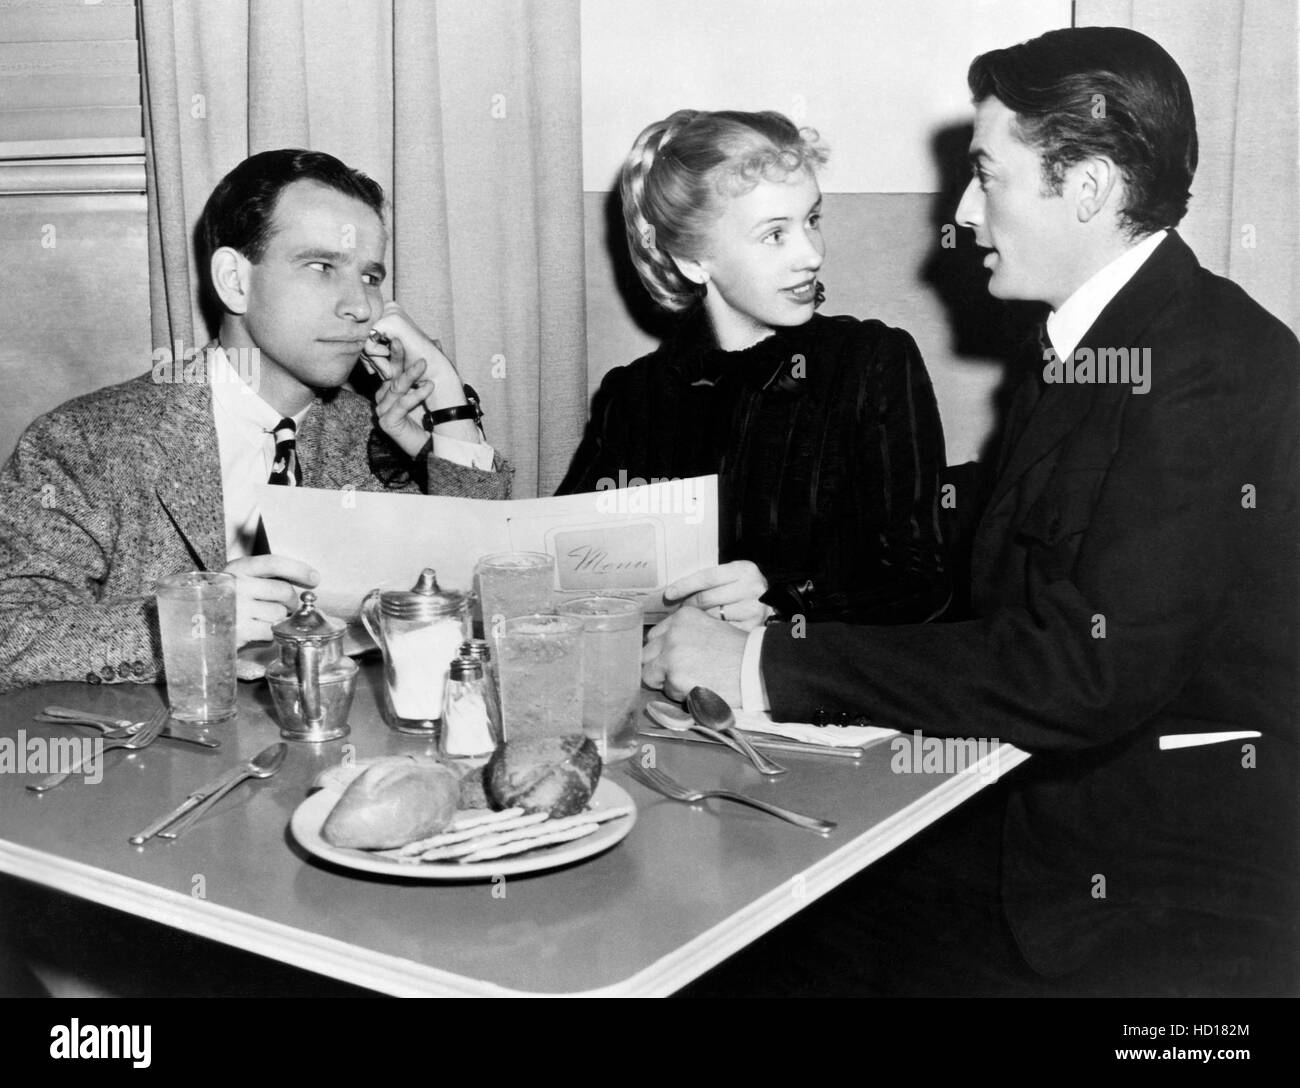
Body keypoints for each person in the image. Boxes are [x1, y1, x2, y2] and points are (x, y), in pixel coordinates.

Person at [652, 28, 1300, 995]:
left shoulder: (1208, 366)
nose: (962, 213)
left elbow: (1084, 666)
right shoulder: (1103, 336)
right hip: (1064, 819)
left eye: (987, 177)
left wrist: (763, 662)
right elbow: (992, 544)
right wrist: (781, 595)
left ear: (1086, 190)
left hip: (1177, 887)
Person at [0, 149, 510, 693]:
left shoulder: (380, 433)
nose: (361, 306)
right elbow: (12, 635)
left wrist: (451, 406)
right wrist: (193, 619)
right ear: (234, 281)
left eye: (370, 275)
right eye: (320, 267)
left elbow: (475, 588)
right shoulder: (87, 442)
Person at [559, 110, 949, 630]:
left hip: (815, 697)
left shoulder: (870, 362)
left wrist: (784, 602)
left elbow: (924, 584)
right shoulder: (636, 395)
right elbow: (564, 576)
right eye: (774, 235)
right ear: (693, 260)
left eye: (812, 219)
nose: (811, 254)